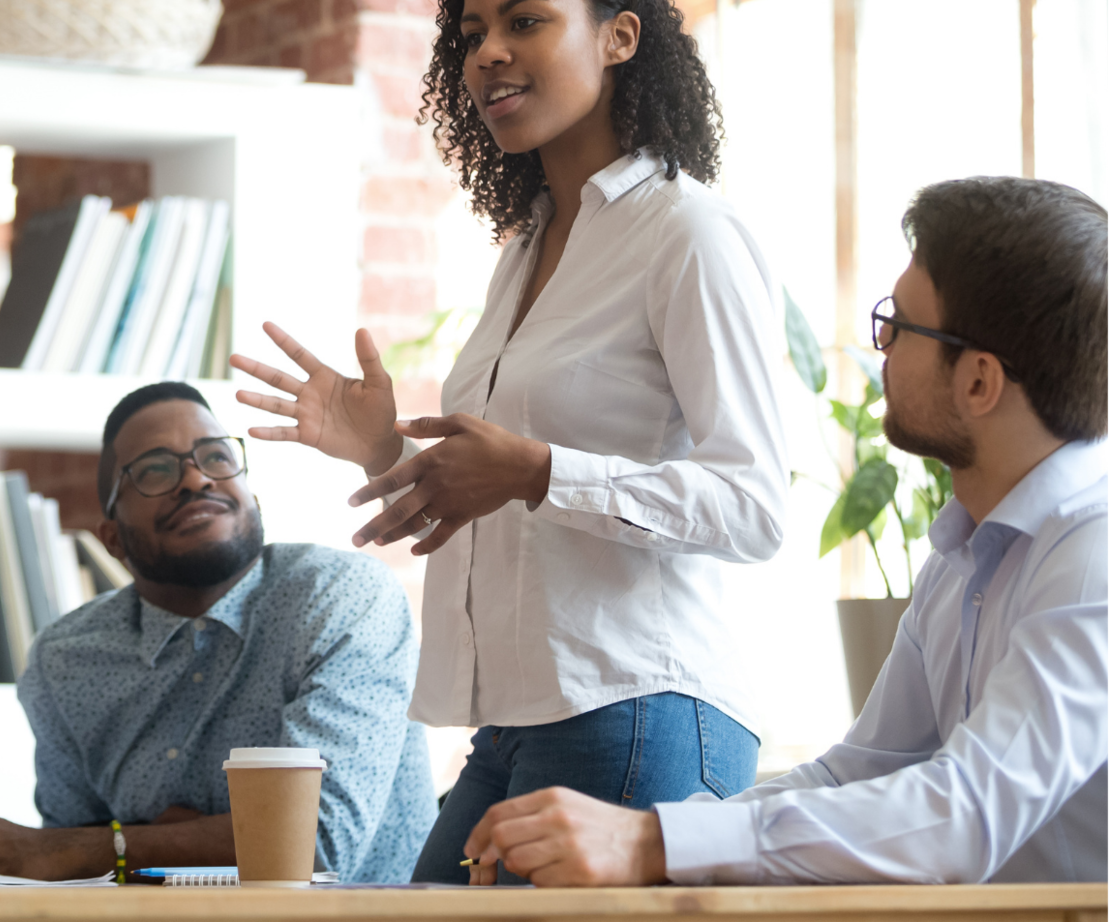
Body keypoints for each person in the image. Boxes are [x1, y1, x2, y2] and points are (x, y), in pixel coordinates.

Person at [230, 0, 788, 883]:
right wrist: (381, 452)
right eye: (470, 34)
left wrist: (535, 471)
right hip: (518, 724)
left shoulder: (686, 236)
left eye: (524, 21)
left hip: (642, 709)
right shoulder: (526, 250)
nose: (488, 53)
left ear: (619, 36)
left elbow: (753, 506)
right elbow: (504, 489)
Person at [465, 176, 1107, 886]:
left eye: (901, 324)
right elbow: (858, 770)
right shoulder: (966, 553)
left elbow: (963, 816)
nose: (881, 343)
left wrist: (655, 845)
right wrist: (664, 837)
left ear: (980, 383)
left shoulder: (1092, 558)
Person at [0, 382, 437, 882]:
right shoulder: (64, 661)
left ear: (254, 499)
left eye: (218, 458)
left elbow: (311, 845)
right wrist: (153, 843)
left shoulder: (340, 597)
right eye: (155, 470)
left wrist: (109, 847)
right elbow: (75, 873)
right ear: (112, 538)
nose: (197, 478)